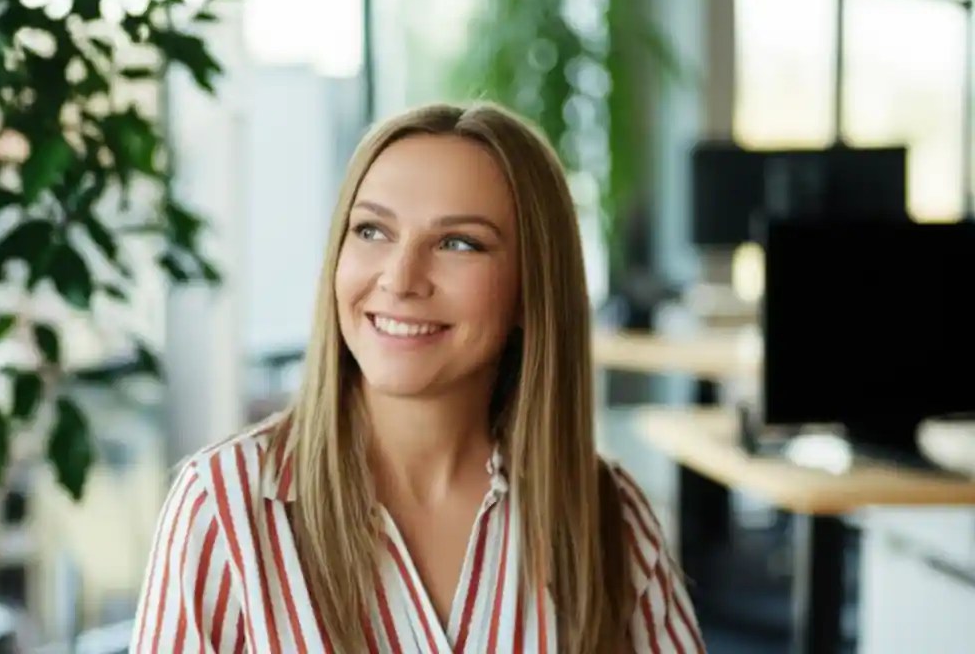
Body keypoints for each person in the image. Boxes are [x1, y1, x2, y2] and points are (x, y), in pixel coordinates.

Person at [129, 103, 705, 653]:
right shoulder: (225, 508)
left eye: (459, 243)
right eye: (372, 231)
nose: (402, 279)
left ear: (533, 289)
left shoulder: (607, 516)